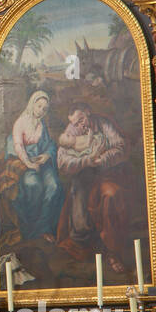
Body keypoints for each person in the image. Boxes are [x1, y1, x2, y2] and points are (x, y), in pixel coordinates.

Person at [55, 104, 133, 272]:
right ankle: (85, 245)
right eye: (76, 123)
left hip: (107, 175)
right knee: (79, 198)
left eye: (82, 120)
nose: (80, 126)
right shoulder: (71, 132)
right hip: (83, 178)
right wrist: (86, 161)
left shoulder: (104, 124)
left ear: (88, 113)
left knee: (111, 195)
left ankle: (113, 251)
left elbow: (121, 147)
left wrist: (102, 160)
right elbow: (62, 162)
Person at [6, 90, 63, 241]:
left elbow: (50, 144)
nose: (41, 111)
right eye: (39, 106)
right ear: (32, 105)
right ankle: (31, 228)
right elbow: (18, 146)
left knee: (54, 186)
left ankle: (43, 228)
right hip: (25, 162)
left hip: (42, 162)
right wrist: (29, 164)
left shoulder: (42, 124)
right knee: (33, 185)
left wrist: (47, 155)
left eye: (45, 108)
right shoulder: (21, 122)